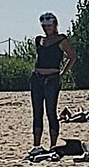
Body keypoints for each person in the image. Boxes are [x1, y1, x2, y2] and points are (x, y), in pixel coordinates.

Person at [30, 12, 76, 153]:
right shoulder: (39, 40)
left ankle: (53, 145)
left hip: (52, 79)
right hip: (37, 78)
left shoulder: (61, 40)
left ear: (54, 25)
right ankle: (36, 145)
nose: (47, 28)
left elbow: (72, 57)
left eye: (49, 25)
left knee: (51, 111)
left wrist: (62, 74)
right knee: (37, 112)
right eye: (44, 26)